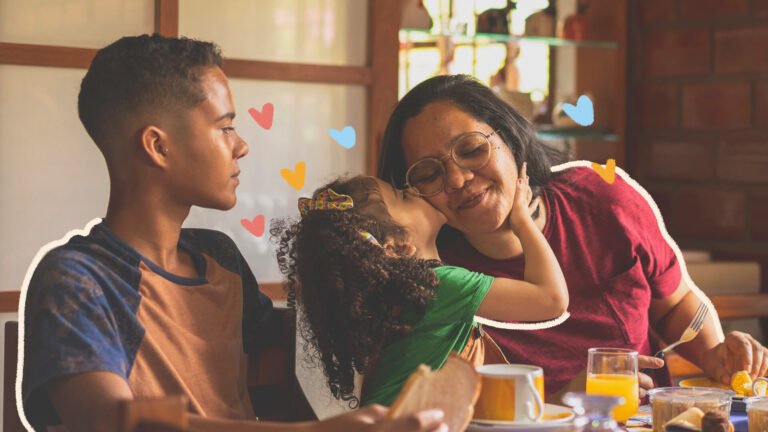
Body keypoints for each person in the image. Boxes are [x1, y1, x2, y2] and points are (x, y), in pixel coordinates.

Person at [19, 34, 447, 432]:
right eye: (225, 127)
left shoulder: (219, 258)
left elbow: (294, 356)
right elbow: (116, 421)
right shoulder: (77, 279)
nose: (241, 145)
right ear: (158, 146)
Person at [377, 74, 768, 401]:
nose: (459, 179)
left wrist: (716, 355)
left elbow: (676, 300)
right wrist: (565, 398)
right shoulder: (433, 276)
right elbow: (445, 405)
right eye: (429, 174)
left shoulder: (603, 198)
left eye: (472, 149)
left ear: (510, 137)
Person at [271, 162, 568, 407]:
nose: (413, 189)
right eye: (402, 196)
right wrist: (522, 220)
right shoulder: (439, 285)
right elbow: (552, 299)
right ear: (396, 246)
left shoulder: (404, 294)